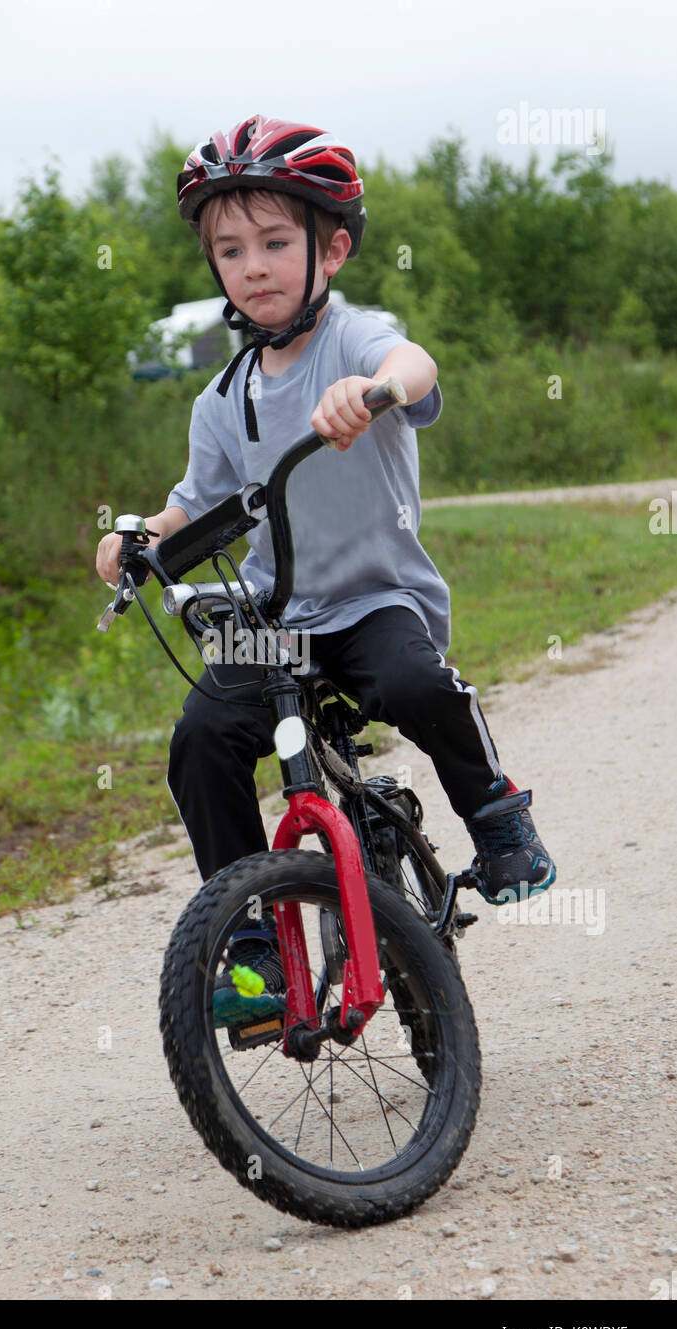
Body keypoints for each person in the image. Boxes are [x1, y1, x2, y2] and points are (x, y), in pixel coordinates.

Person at [96, 115, 555, 1020]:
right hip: (279, 621)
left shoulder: (353, 341)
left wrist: (374, 388)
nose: (253, 266)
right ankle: (252, 943)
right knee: (202, 741)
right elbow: (194, 500)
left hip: (376, 602)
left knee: (413, 682)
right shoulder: (220, 397)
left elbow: (411, 363)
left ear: (332, 248)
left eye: (274, 242)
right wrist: (140, 536)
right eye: (230, 250)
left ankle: (496, 815)